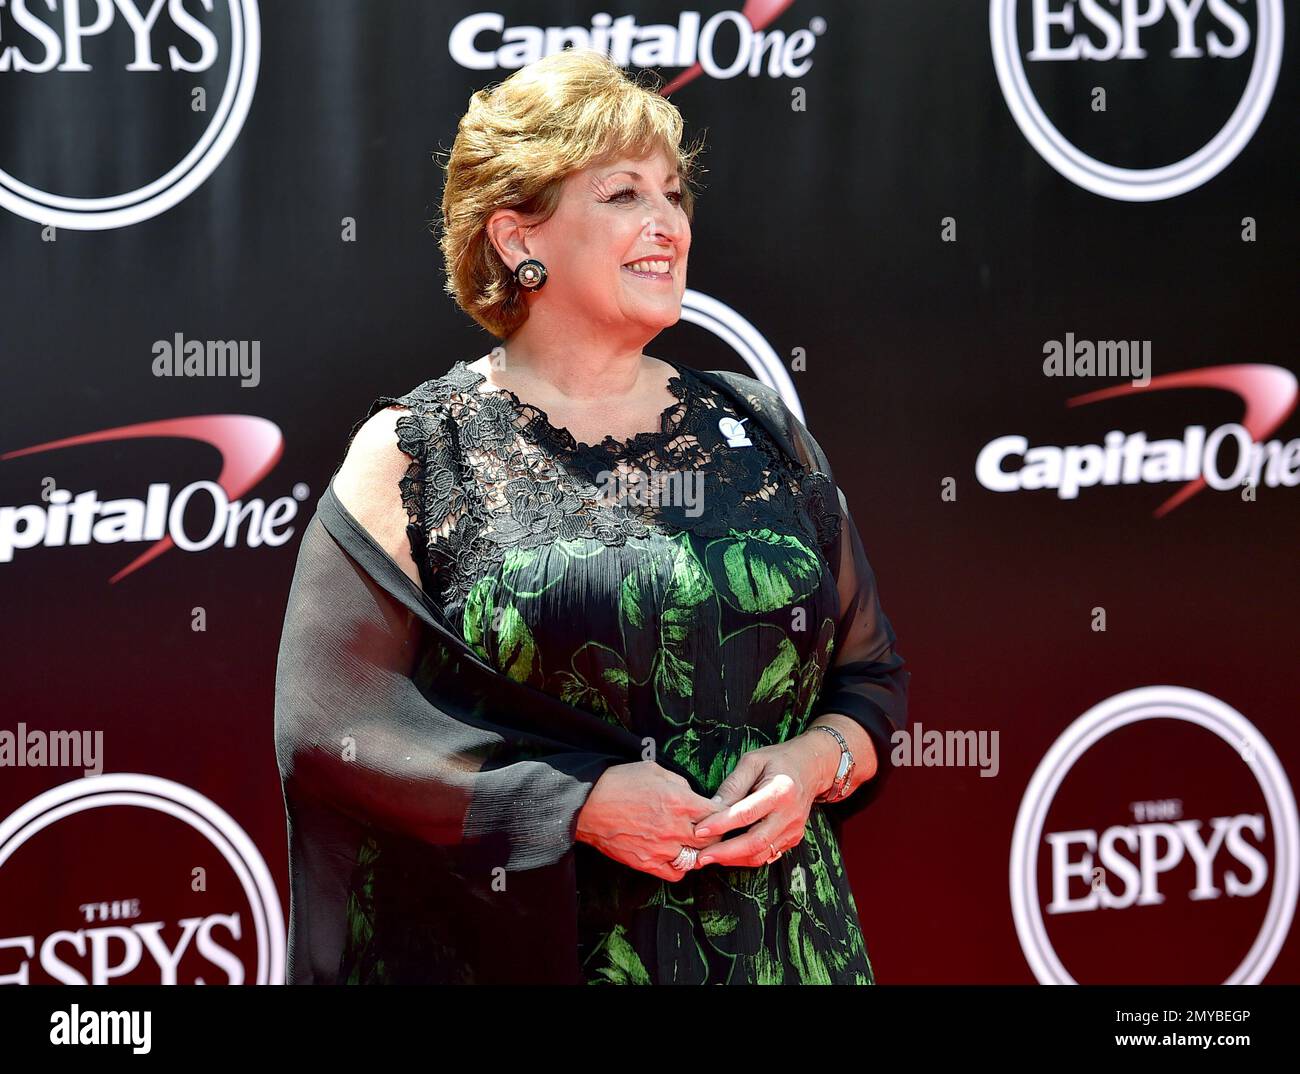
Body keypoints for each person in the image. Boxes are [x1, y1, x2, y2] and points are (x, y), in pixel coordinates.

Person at [273, 47, 909, 985]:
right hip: (535, 951)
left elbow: (872, 678)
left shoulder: (760, 425)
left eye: (673, 195)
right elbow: (332, 734)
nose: (667, 225)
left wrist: (815, 764)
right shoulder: (418, 448)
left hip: (784, 949)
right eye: (622, 196)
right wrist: (573, 803)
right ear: (516, 238)